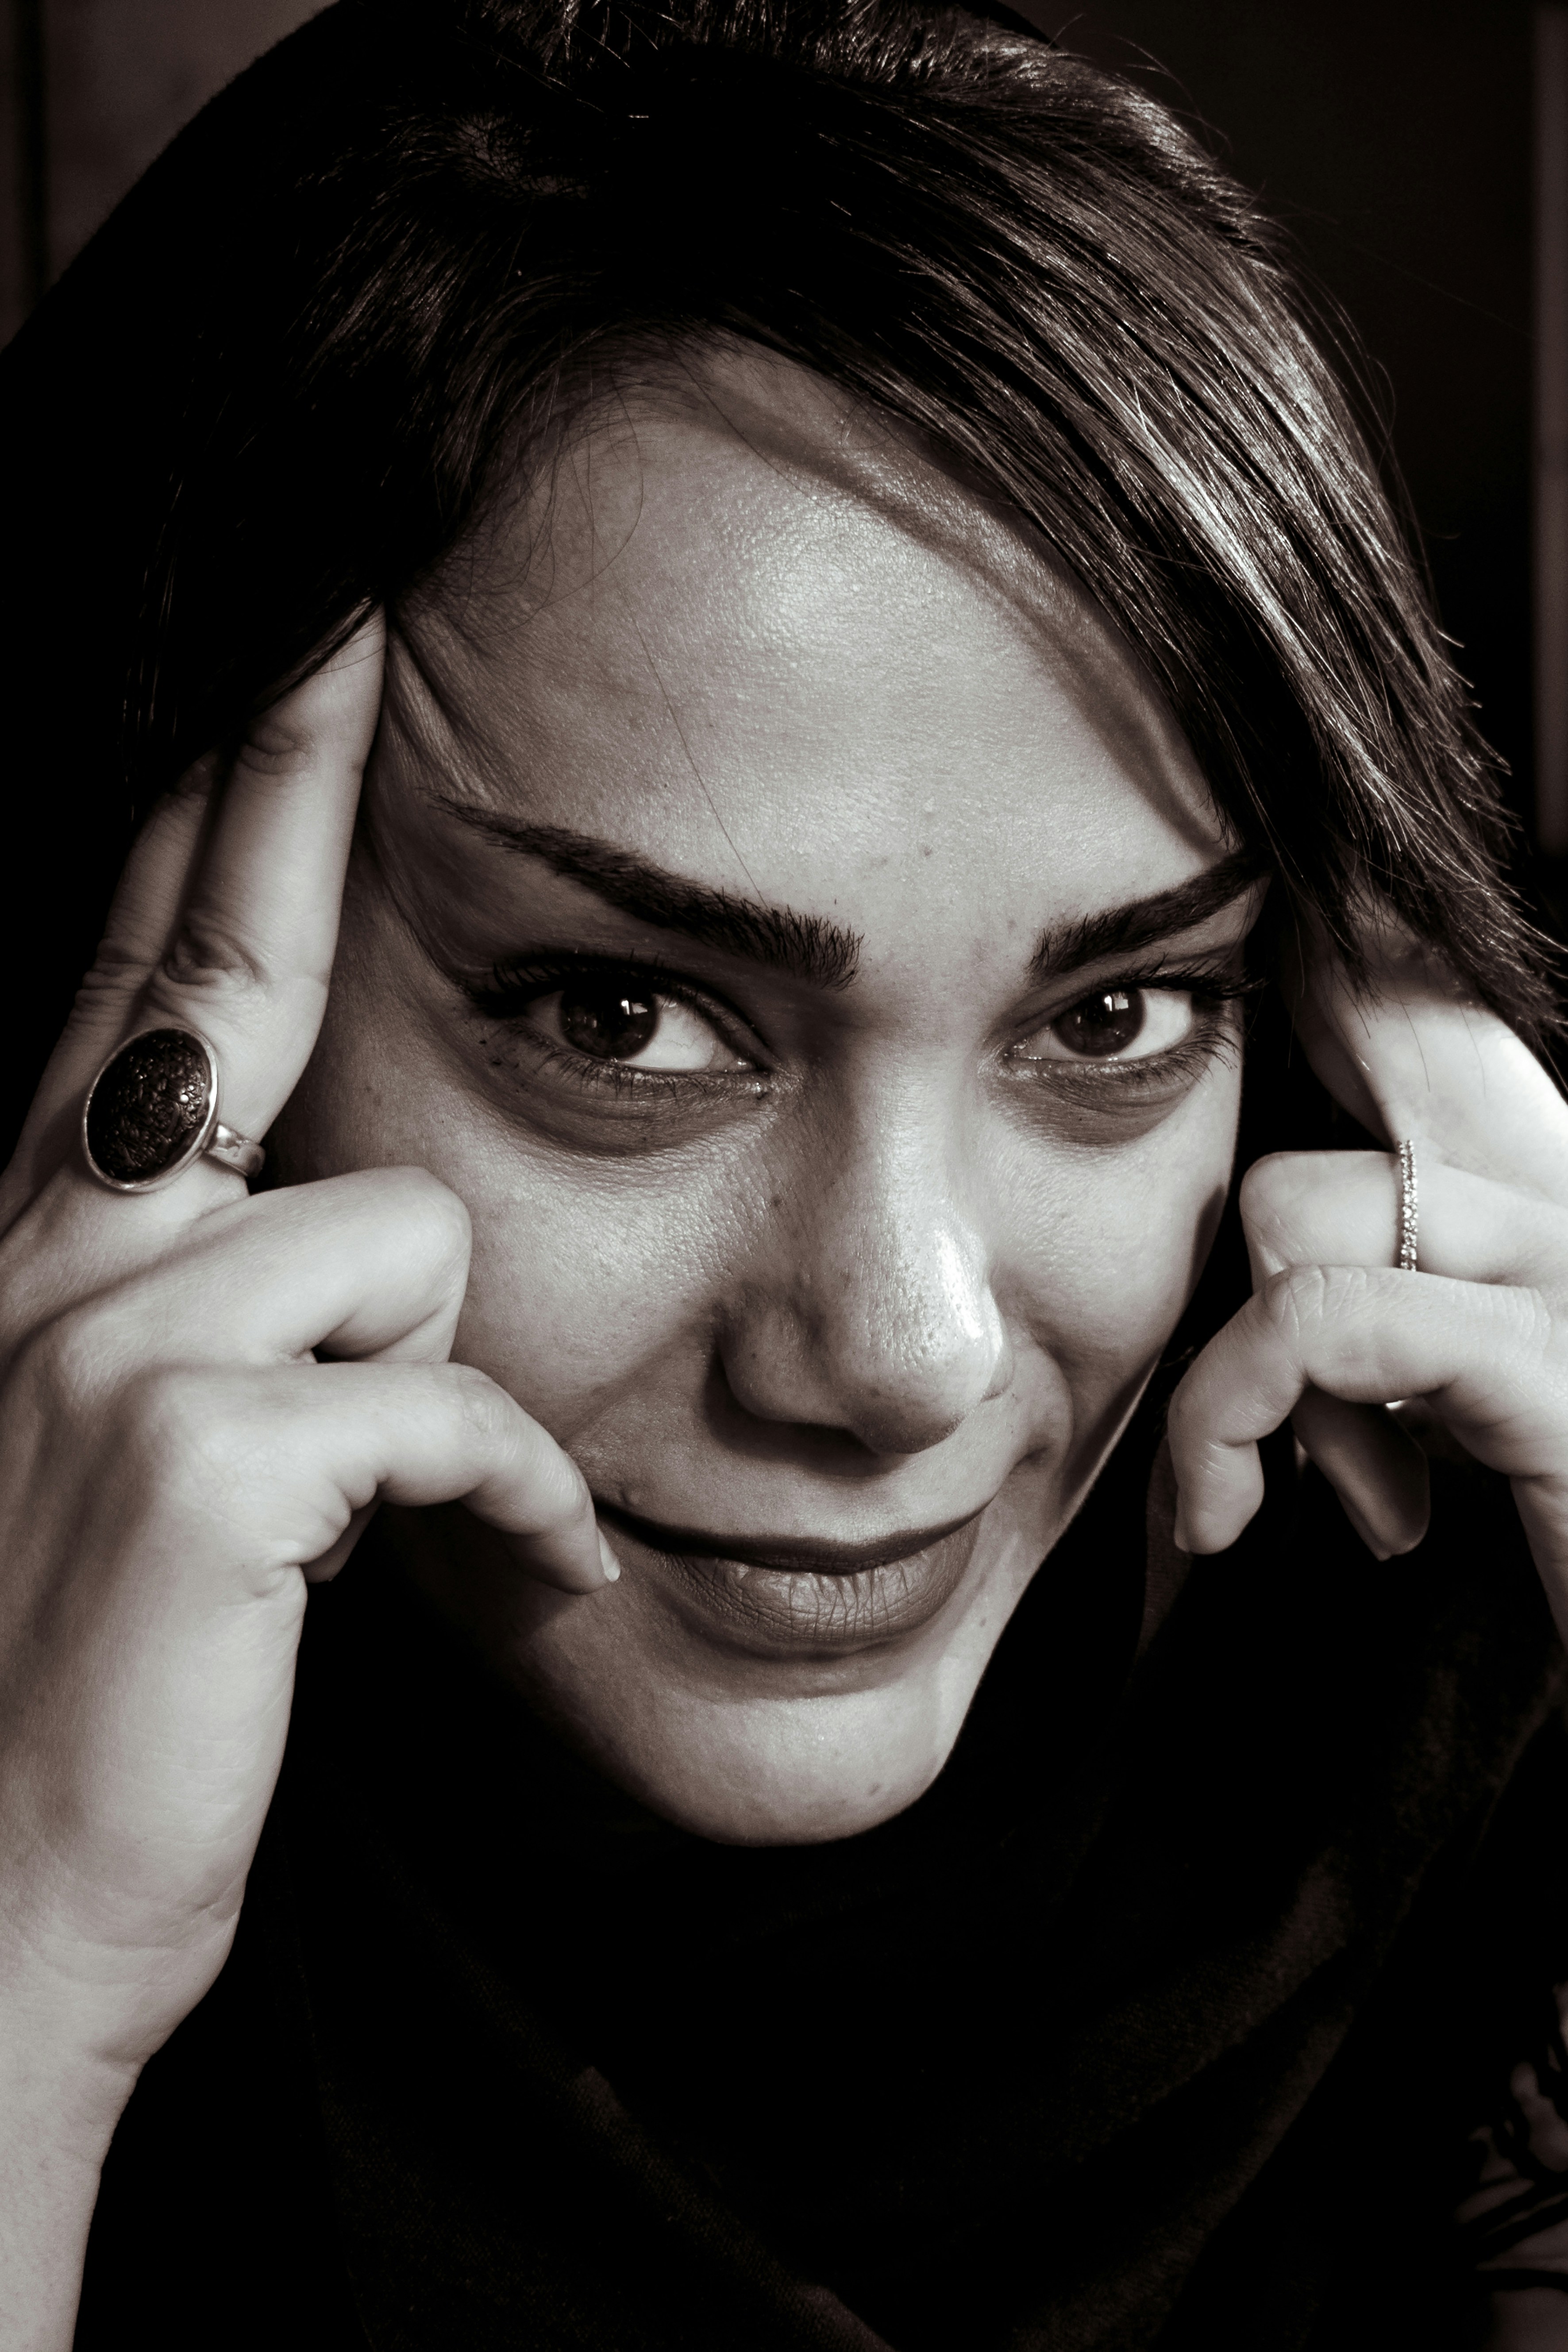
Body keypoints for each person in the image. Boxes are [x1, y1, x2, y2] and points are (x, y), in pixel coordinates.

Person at [3, 1, 1568, 2344]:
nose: (902, 1354)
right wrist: (31, 1957)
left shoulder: (1459, 1844)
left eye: (1112, 1013)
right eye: (619, 1015)